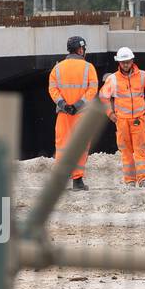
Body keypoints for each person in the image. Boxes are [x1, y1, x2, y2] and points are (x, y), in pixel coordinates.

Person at [100, 46, 145, 187]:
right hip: (122, 120)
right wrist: (110, 114)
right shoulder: (113, 79)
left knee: (140, 150)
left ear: (132, 61)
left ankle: (144, 179)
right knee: (126, 151)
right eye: (123, 62)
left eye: (128, 61)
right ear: (119, 62)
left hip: (139, 118)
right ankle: (130, 180)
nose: (125, 64)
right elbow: (103, 97)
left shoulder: (143, 75)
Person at [48, 35, 99, 190]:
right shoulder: (88, 67)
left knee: (62, 146)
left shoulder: (57, 68)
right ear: (80, 49)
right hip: (82, 114)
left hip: (63, 115)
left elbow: (52, 89)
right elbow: (93, 89)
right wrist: (78, 105)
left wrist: (64, 105)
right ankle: (77, 181)